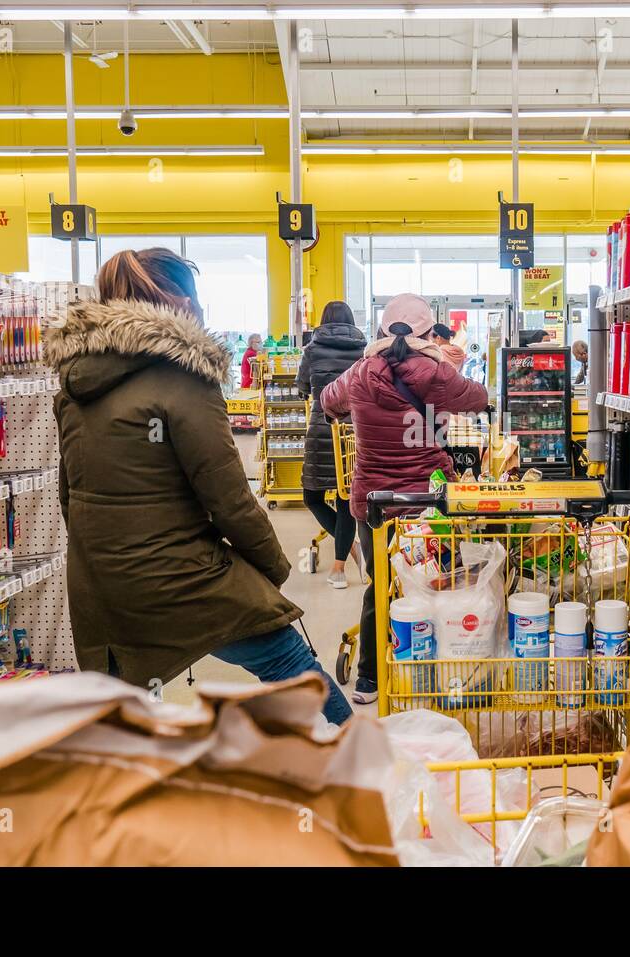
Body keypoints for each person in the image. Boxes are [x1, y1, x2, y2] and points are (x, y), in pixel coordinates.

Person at [46, 247, 352, 724]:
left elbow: (69, 498)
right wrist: (271, 567)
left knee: (135, 706)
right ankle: (361, 762)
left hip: (100, 582)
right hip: (182, 577)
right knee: (286, 659)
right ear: (180, 303)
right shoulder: (185, 379)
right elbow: (228, 498)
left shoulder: (74, 384)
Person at [321, 293, 489, 704]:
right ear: (428, 332)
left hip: (374, 501)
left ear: (381, 330)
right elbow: (479, 397)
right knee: (439, 581)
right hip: (427, 502)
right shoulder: (437, 373)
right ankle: (438, 674)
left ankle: (369, 680)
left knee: (383, 583)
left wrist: (347, 413)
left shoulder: (360, 373)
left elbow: (328, 401)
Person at [296, 301, 366, 589]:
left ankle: (343, 562)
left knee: (312, 497)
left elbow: (303, 387)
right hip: (355, 430)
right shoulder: (363, 351)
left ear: (324, 321)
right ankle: (347, 554)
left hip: (322, 428)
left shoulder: (312, 350)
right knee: (345, 497)